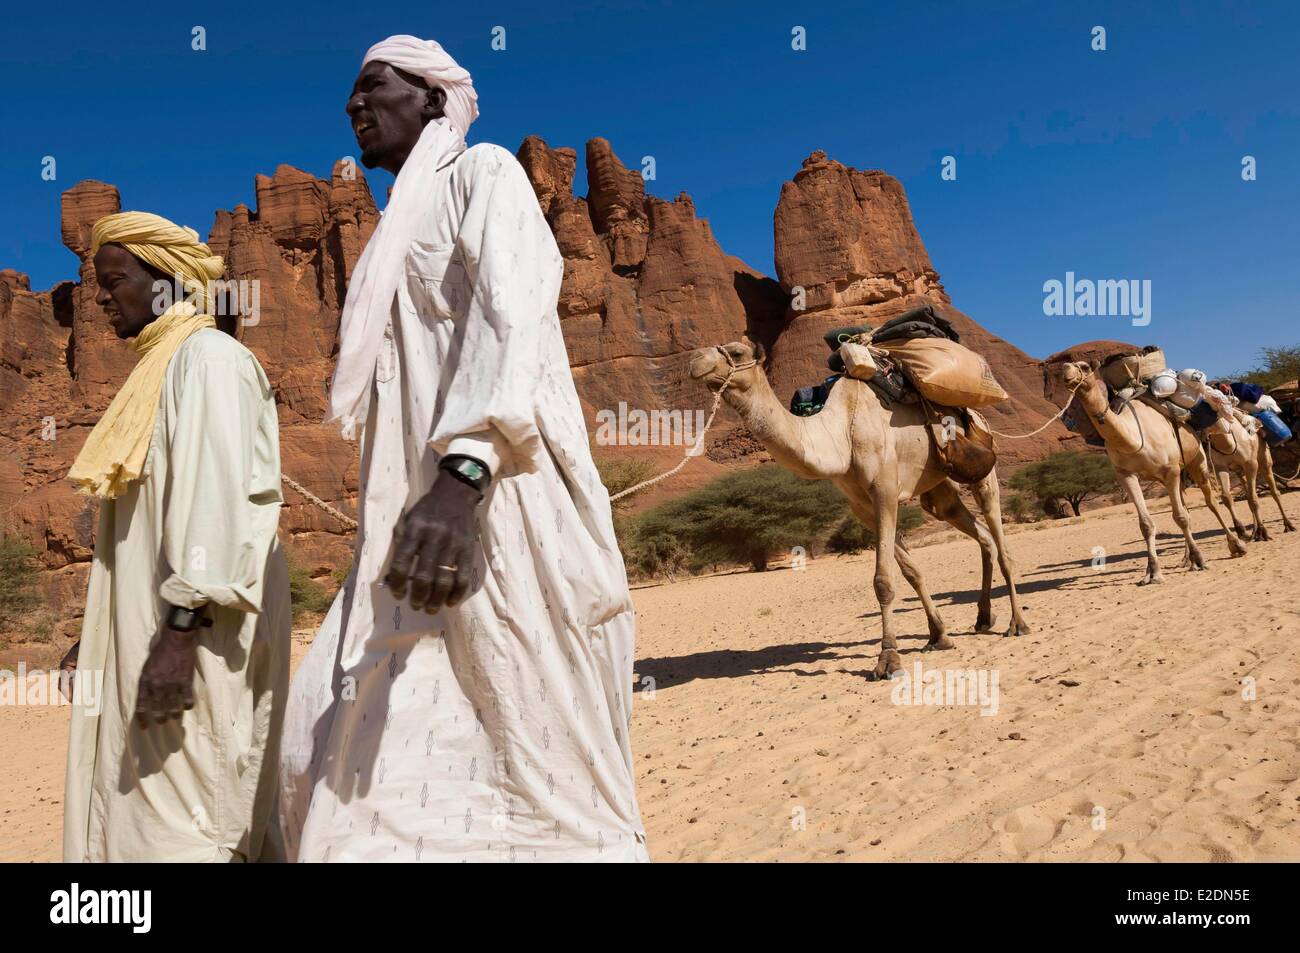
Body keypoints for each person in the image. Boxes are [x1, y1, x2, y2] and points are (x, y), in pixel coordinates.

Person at [278, 35, 647, 862]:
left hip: (498, 511)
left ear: (434, 99)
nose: (353, 106)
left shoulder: (484, 176)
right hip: (413, 532)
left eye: (375, 86)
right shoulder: (394, 230)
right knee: (324, 754)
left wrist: (465, 473)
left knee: (540, 760)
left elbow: (508, 317)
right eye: (352, 92)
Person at [61, 212, 290, 862]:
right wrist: (99, 632)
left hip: (190, 644)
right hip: (160, 640)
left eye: (114, 280)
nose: (100, 297)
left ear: (166, 282)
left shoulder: (209, 358)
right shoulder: (156, 374)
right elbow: (148, 535)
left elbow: (215, 504)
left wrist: (179, 630)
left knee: (192, 829)